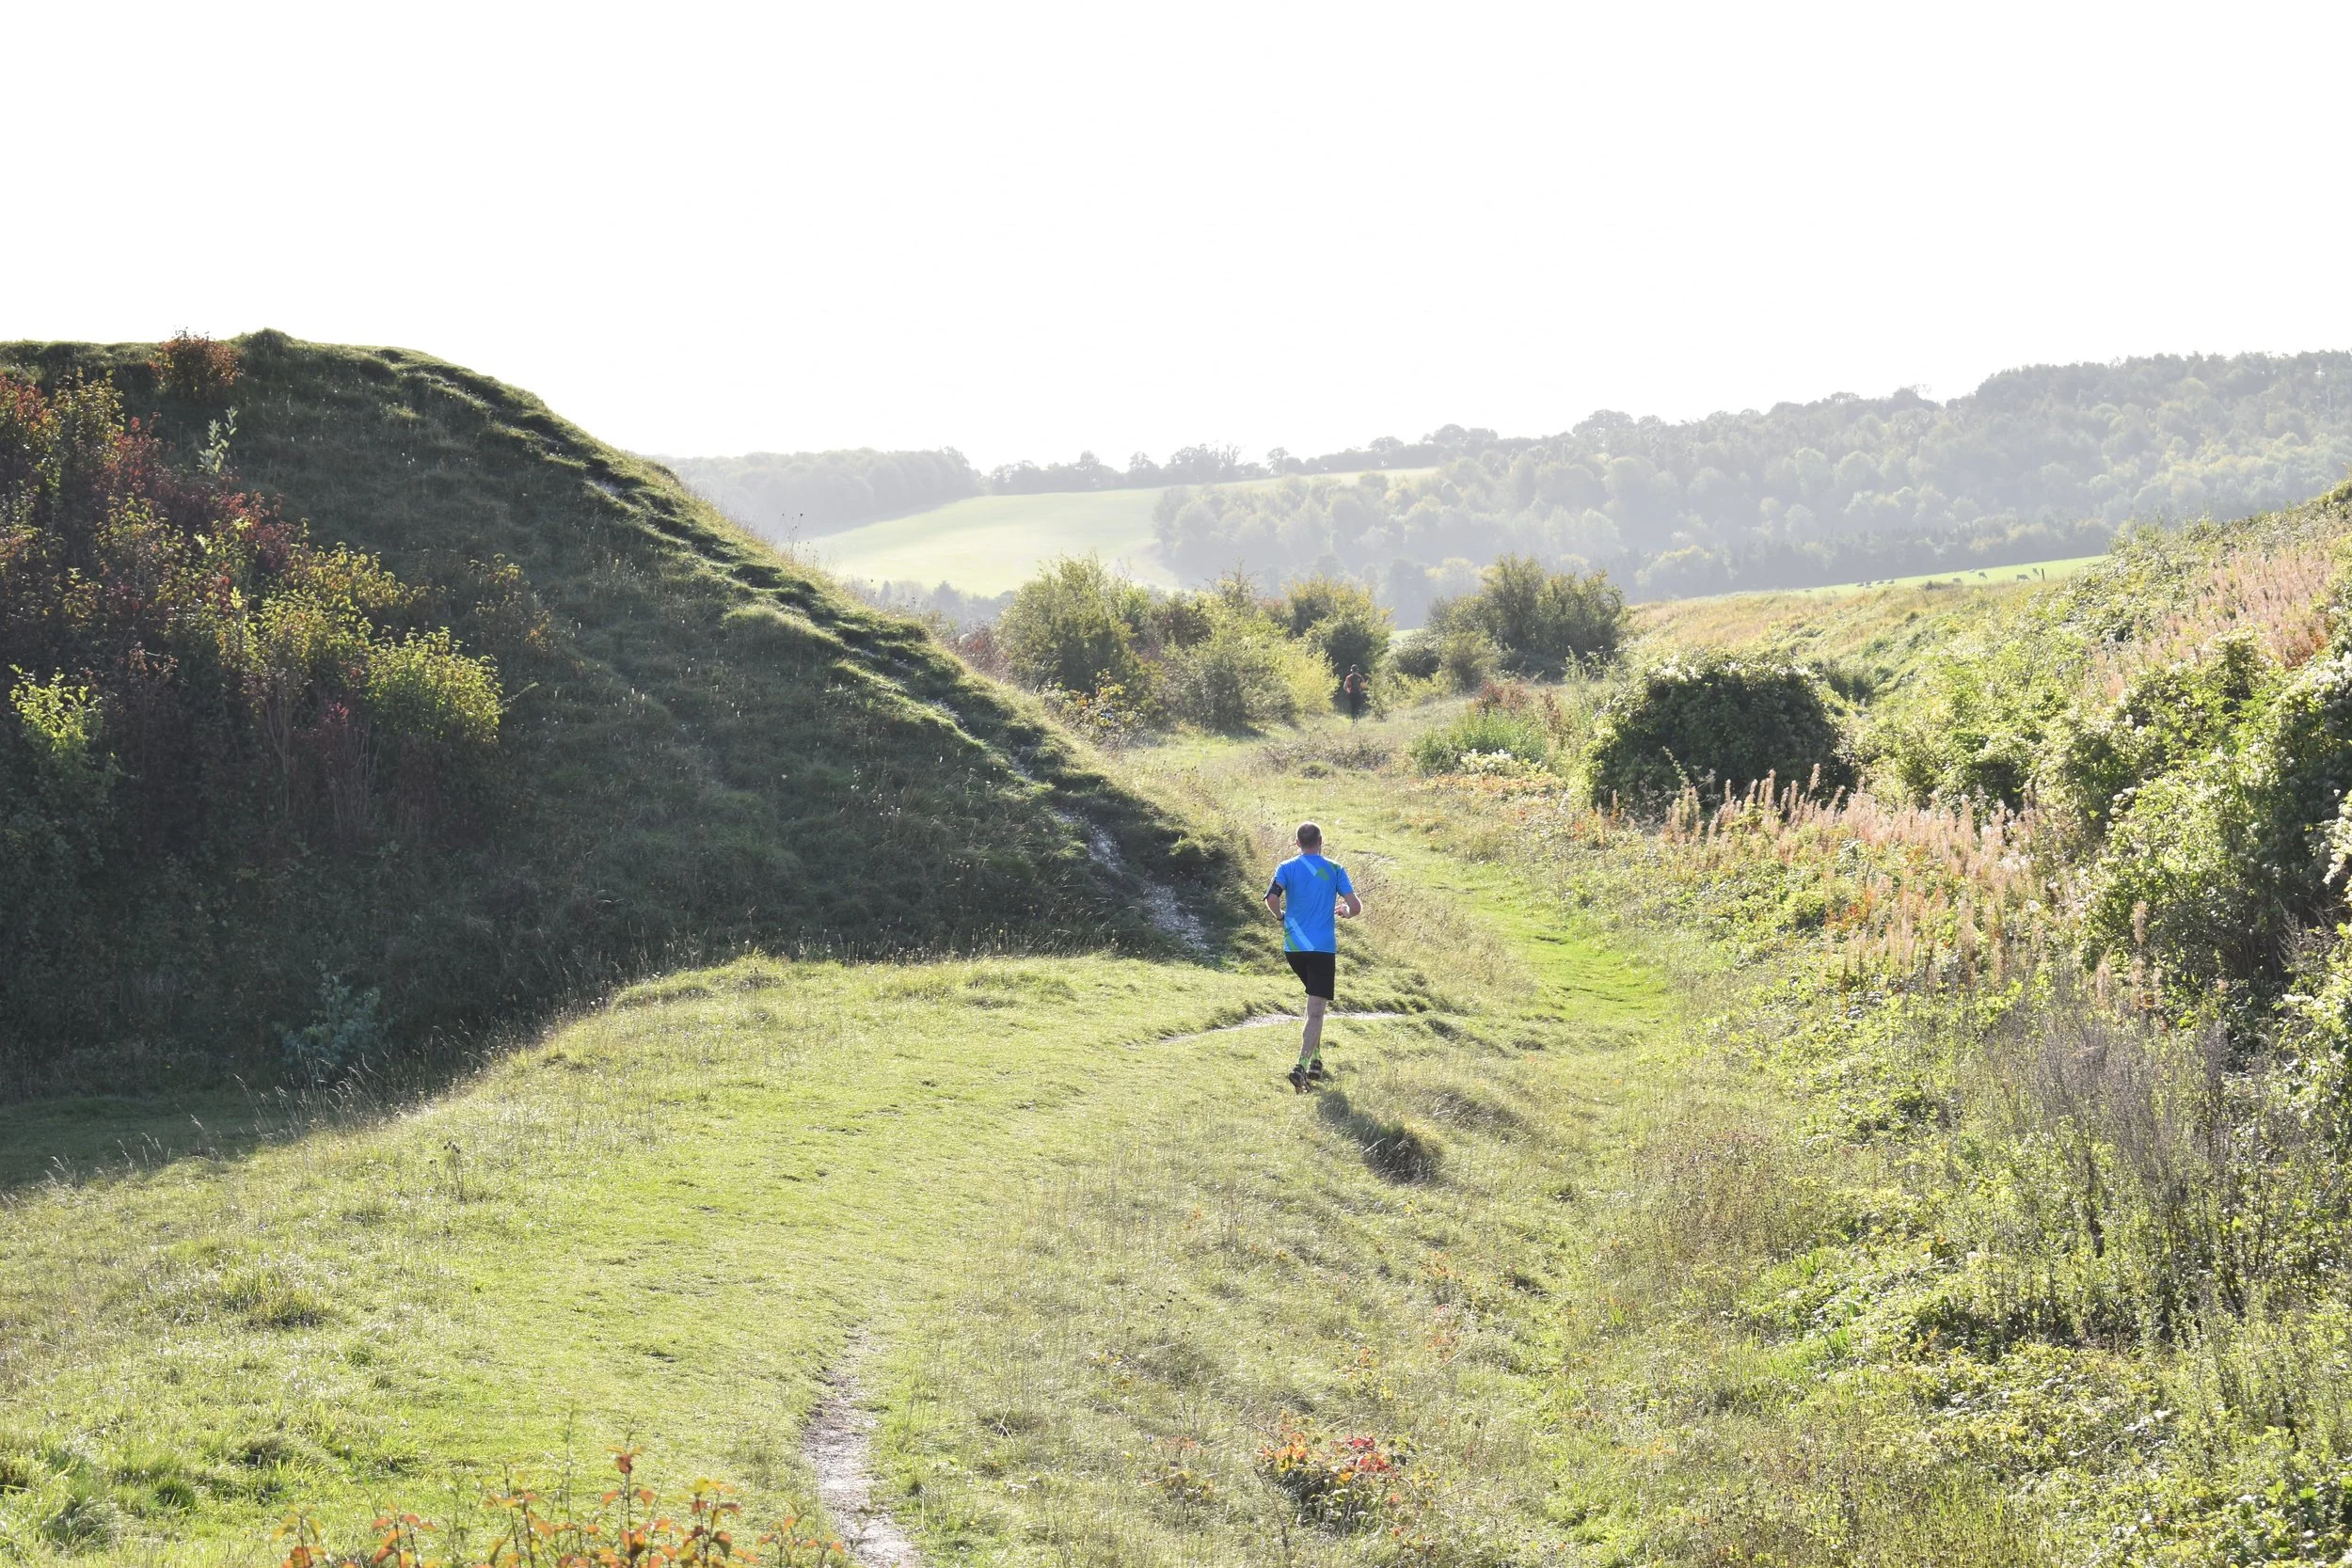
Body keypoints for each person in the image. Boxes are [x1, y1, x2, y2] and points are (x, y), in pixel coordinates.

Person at [1263, 821, 1361, 1091]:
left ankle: (1317, 1060)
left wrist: (1280, 917)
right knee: (1316, 1011)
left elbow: (1272, 898)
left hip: (1293, 949)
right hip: (1322, 948)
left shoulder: (1286, 868)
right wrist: (1344, 911)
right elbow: (1355, 907)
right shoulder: (1334, 869)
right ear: (1321, 841)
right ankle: (1301, 1066)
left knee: (1313, 1005)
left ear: (1297, 843)